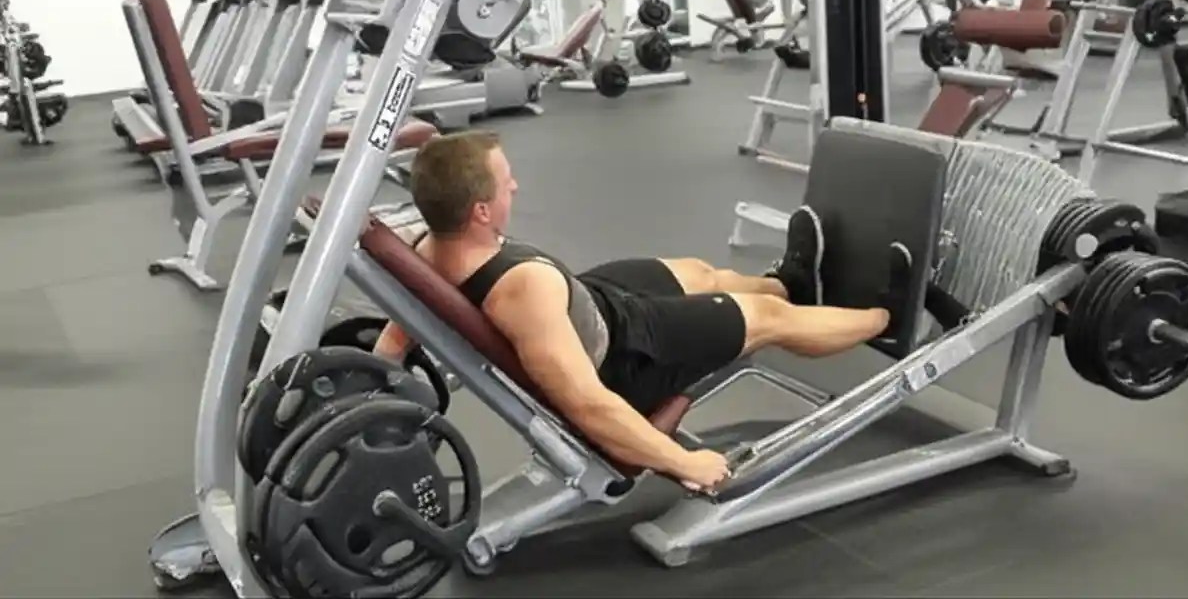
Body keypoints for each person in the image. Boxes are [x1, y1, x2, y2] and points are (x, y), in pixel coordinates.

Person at [374, 131, 901, 492]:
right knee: (764, 319)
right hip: (626, 360)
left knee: (700, 273)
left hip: (591, 304)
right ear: (481, 211)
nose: (515, 184)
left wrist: (373, 404)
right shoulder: (522, 292)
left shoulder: (430, 249)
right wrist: (685, 461)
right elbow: (589, 405)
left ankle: (790, 283)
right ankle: (886, 317)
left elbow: (396, 342)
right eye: (504, 179)